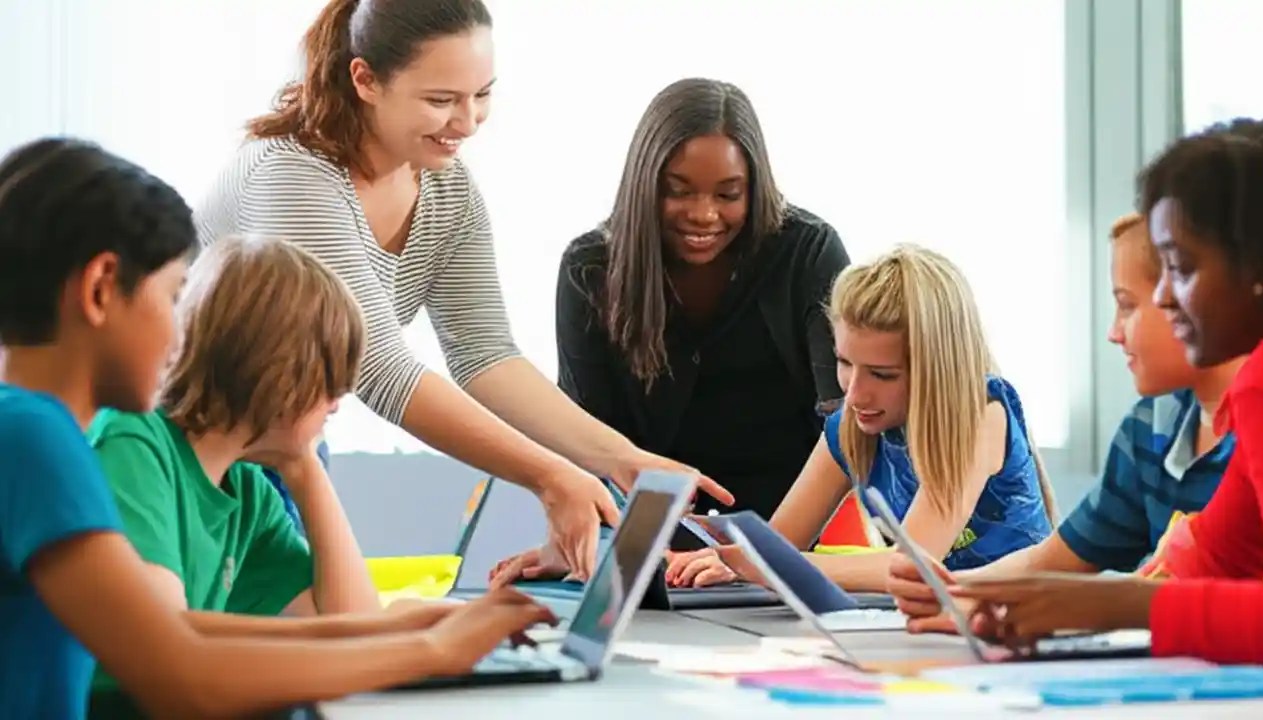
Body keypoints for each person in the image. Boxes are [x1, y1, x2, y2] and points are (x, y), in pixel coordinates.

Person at [0, 137, 553, 718]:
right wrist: (426, 649)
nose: (180, 335)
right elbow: (178, 672)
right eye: (171, 297)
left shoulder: (30, 431)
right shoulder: (38, 439)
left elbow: (178, 637)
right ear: (99, 289)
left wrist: (407, 630)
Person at [195, 0, 731, 581]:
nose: (469, 121)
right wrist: (549, 475)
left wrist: (620, 459)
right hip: (197, 447)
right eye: (441, 100)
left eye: (483, 95)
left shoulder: (448, 189)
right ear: (366, 79)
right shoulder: (292, 176)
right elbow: (379, 370)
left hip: (281, 442)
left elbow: (485, 353)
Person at [955, 117, 1263, 664]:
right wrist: (1063, 599)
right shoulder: (1257, 385)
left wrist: (1113, 606)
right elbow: (1217, 557)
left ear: (1261, 266)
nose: (1166, 297)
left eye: (1180, 267)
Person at [887, 214, 1242, 632]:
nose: (1113, 332)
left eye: (1127, 305)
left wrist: (1099, 605)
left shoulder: (1258, 424)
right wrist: (954, 593)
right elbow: (1059, 558)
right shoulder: (1152, 427)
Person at [87, 235, 387, 692]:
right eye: (331, 381)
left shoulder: (248, 489)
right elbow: (164, 641)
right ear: (276, 370)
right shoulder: (134, 439)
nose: (337, 404)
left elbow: (356, 628)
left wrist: (305, 469)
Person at [666, 245, 1058, 592]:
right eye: (844, 363)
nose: (854, 394)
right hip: (932, 626)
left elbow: (914, 566)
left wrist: (767, 563)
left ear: (937, 369)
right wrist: (727, 556)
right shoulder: (851, 426)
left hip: (1017, 625)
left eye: (882, 374)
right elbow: (779, 543)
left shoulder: (980, 416)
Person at [557, 77, 849, 518]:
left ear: (755, 186)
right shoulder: (589, 269)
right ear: (645, 182)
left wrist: (767, 551)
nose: (704, 214)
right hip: (648, 531)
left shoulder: (807, 254)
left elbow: (844, 422)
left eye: (728, 194)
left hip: (797, 530)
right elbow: (587, 440)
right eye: (678, 190)